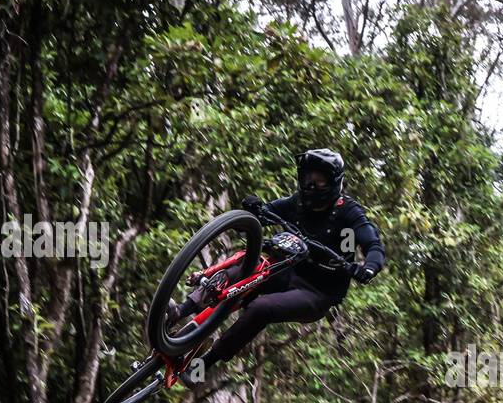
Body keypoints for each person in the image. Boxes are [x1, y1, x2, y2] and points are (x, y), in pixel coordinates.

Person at [164, 148, 385, 384]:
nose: (311, 186)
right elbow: (259, 216)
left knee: (261, 308)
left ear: (333, 182)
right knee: (247, 266)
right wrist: (252, 210)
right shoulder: (296, 203)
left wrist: (368, 267)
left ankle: (202, 367)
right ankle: (182, 310)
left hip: (317, 294)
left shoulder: (348, 212)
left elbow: (372, 243)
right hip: (286, 272)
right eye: (308, 179)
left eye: (319, 181)